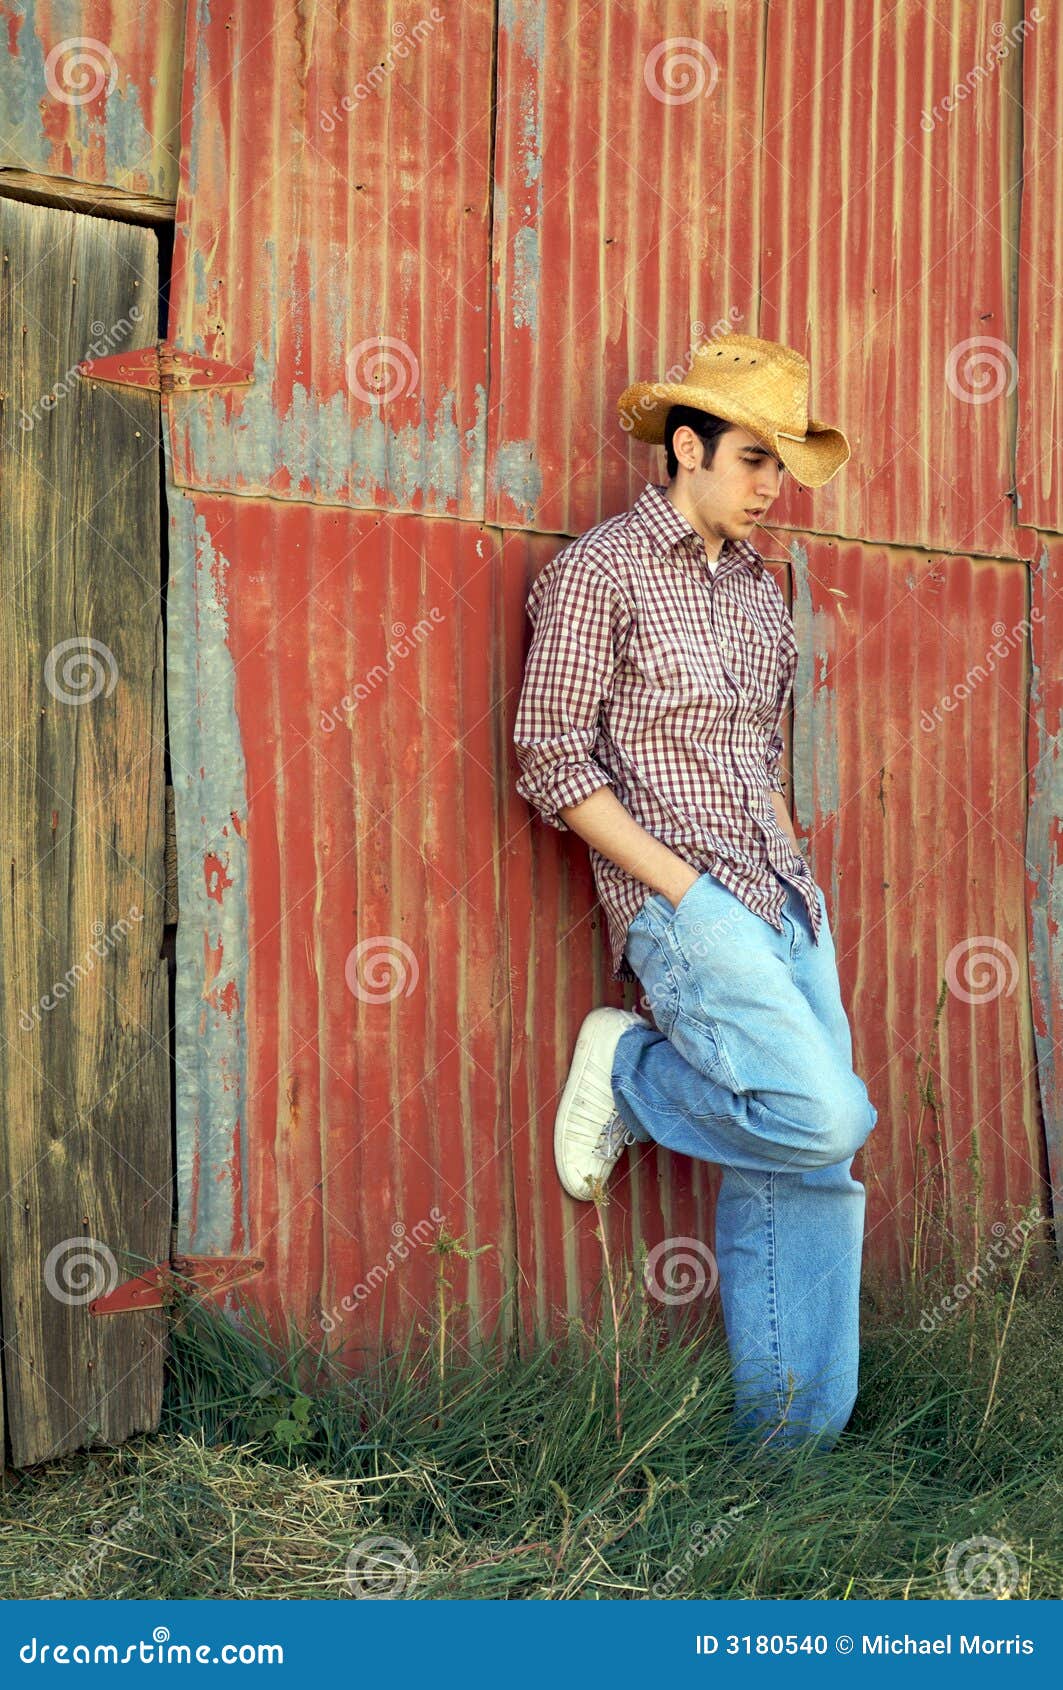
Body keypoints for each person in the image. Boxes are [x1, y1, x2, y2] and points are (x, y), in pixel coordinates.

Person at [512, 331, 878, 1450]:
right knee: (822, 1114)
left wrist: (781, 890)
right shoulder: (598, 571)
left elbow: (760, 760)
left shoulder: (762, 595)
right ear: (686, 446)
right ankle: (629, 1064)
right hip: (685, 903)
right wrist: (687, 893)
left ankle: (788, 1455)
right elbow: (549, 757)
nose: (774, 488)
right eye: (755, 459)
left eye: (783, 465)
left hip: (783, 896)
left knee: (819, 1167)